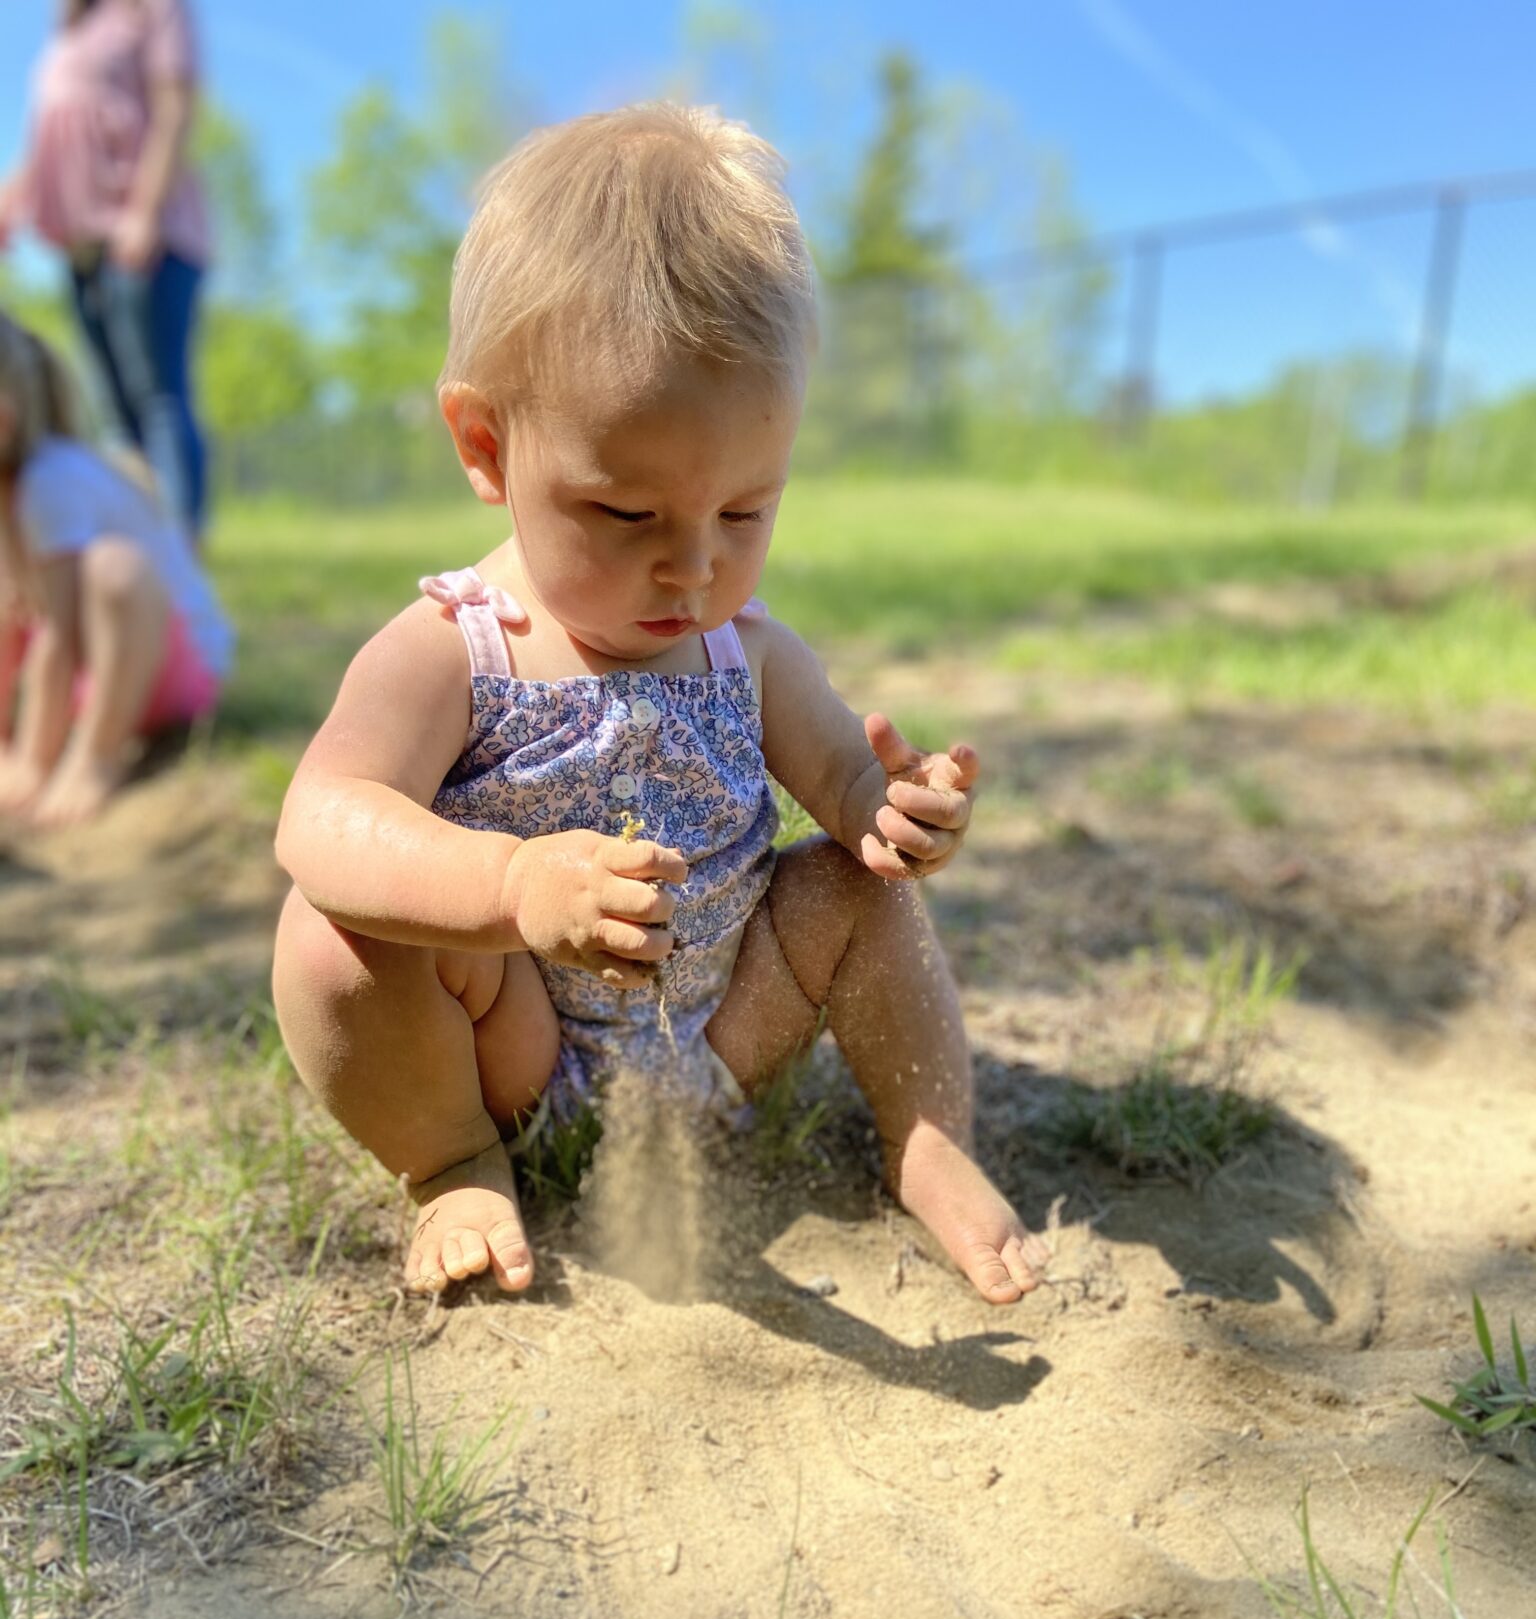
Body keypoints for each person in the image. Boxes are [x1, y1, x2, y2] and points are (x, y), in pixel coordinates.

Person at [272, 103, 1049, 1307]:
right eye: (628, 515)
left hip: (727, 1026)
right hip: (511, 1045)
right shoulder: (454, 648)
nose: (692, 567)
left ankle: (928, 1135)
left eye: (744, 511)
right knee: (330, 938)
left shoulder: (745, 652)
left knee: (860, 894)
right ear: (487, 443)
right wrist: (511, 888)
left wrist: (889, 813)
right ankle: (458, 1162)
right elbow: (321, 818)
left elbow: (844, 792)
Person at [0, 311, 230, 825]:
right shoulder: (14, 490)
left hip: (172, 675)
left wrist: (34, 764)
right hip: (101, 673)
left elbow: (56, 640)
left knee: (113, 568)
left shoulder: (50, 480)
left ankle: (94, 759)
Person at [0, 0, 212, 538]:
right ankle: (138, 539)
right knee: (111, 407)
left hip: (142, 237)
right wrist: (13, 201)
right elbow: (52, 137)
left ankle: (181, 546)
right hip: (82, 246)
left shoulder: (152, 11)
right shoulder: (71, 29)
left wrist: (144, 213)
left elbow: (173, 107)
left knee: (156, 396)